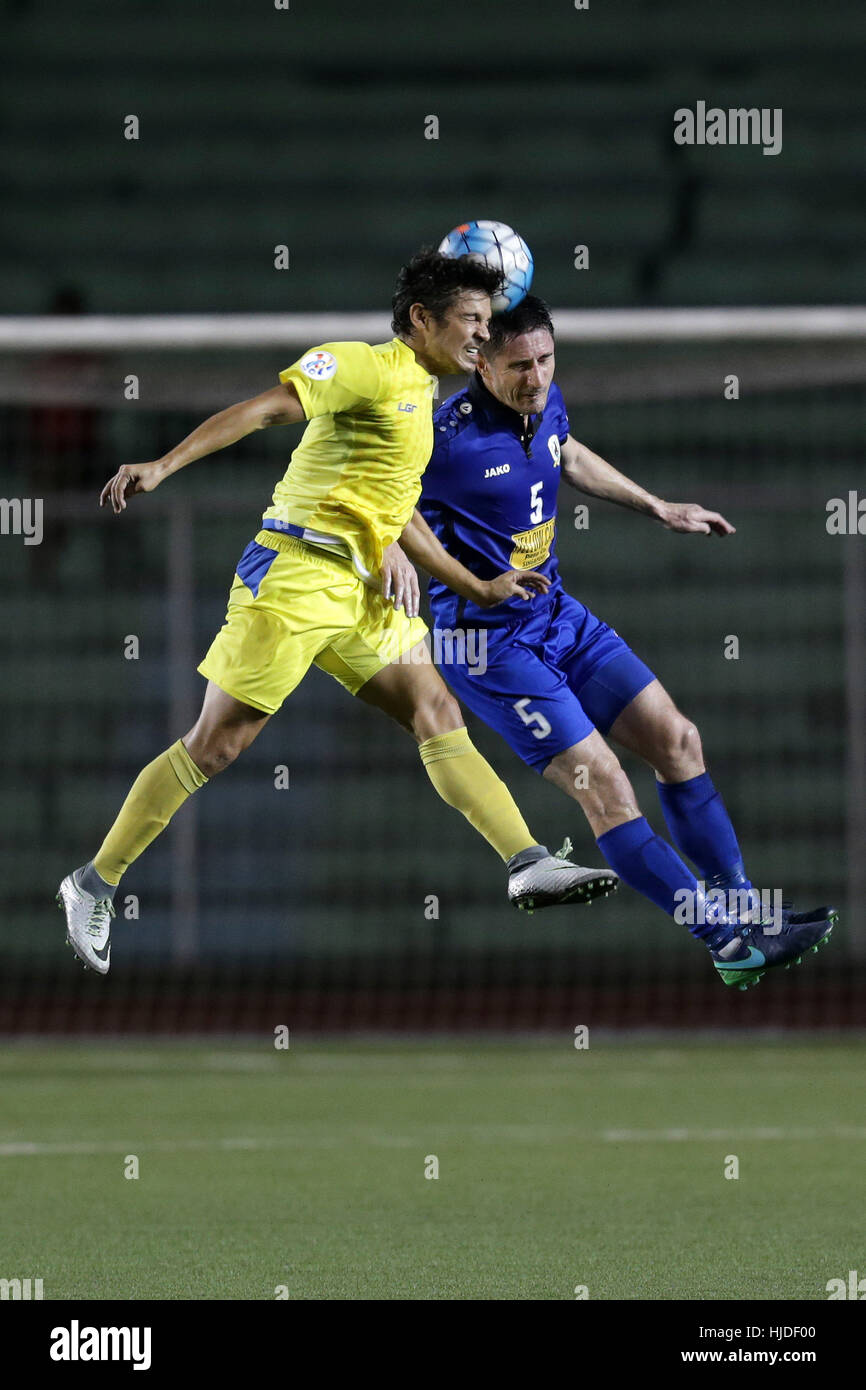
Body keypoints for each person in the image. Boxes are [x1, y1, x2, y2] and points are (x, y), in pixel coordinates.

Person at [56, 257, 617, 975]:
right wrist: (163, 466)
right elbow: (264, 409)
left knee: (436, 707)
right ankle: (94, 882)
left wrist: (476, 586)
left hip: (358, 591)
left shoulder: (425, 398)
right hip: (295, 574)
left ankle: (526, 860)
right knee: (217, 745)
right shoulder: (363, 366)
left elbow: (397, 512)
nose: (484, 336)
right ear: (422, 319)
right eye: (472, 322)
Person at [397, 294, 835, 991]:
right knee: (604, 783)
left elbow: (566, 452)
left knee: (678, 740)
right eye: (519, 365)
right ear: (479, 361)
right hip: (488, 646)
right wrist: (397, 551)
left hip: (558, 616)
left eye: (545, 358)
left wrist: (657, 505)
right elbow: (376, 501)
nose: (536, 376)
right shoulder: (440, 439)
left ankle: (748, 914)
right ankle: (724, 941)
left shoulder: (544, 401)